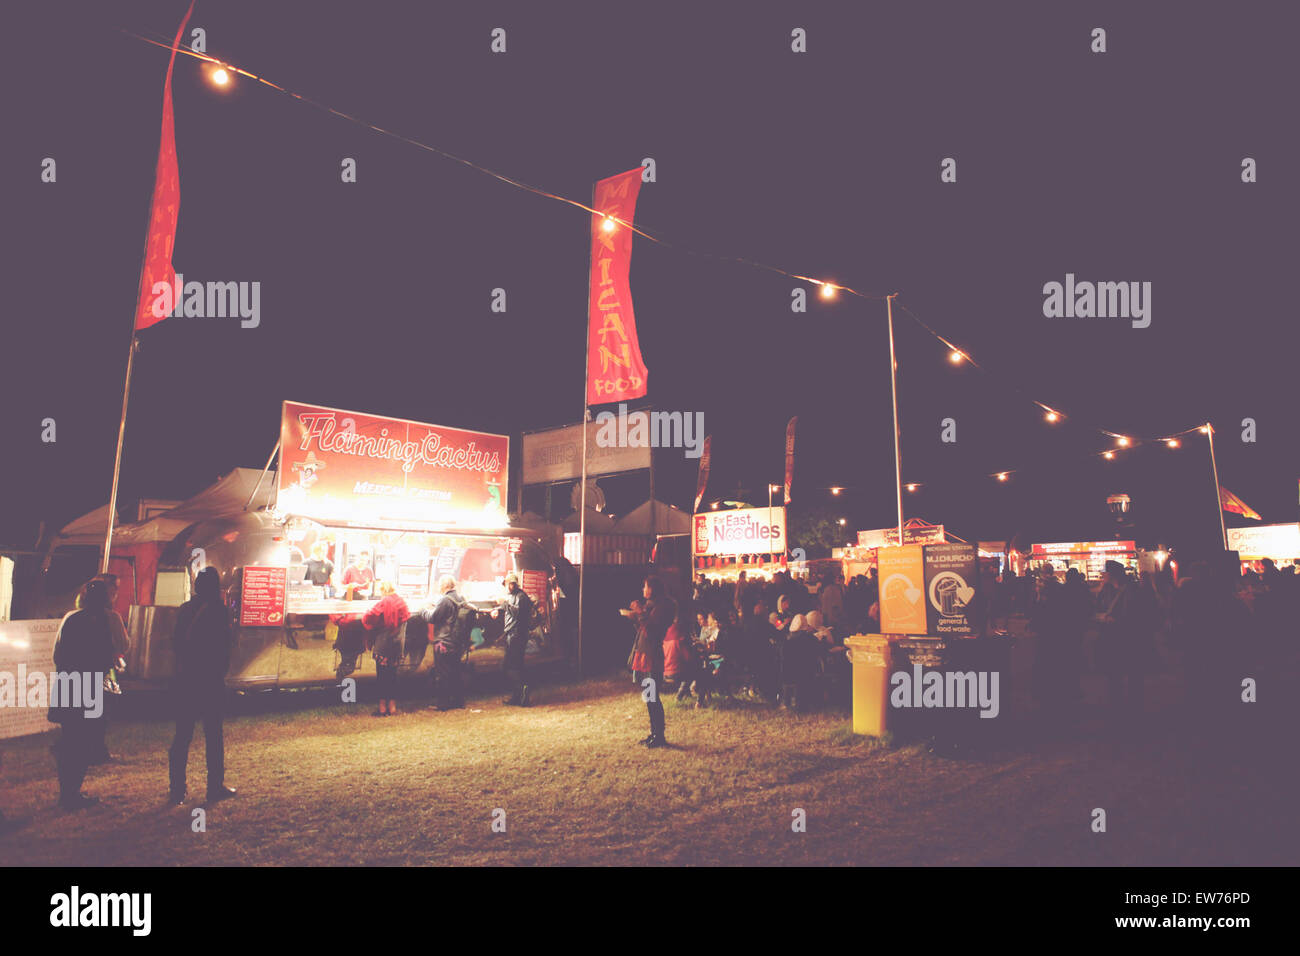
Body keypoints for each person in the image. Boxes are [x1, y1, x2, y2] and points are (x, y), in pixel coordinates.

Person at [168, 567, 236, 806]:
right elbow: (225, 645)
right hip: (210, 679)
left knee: (182, 736)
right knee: (213, 736)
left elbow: (175, 642)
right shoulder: (219, 610)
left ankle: (177, 790)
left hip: (186, 678)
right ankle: (214, 787)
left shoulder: (186, 609)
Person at [50, 578, 116, 810]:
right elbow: (106, 656)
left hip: (69, 685)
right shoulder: (98, 622)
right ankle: (70, 794)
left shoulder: (72, 619)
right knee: (80, 743)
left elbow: (58, 655)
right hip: (85, 689)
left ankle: (68, 792)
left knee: (72, 740)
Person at [629, 574, 677, 747]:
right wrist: (636, 617)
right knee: (648, 696)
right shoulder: (651, 607)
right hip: (645, 653)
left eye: (646, 586)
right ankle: (654, 733)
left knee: (652, 696)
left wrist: (639, 612)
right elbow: (644, 627)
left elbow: (652, 629)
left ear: (653, 589)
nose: (643, 590)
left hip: (652, 655)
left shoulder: (663, 607)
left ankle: (659, 735)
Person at [425, 575, 472, 710]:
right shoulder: (461, 598)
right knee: (455, 671)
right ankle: (458, 701)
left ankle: (443, 703)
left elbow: (433, 617)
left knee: (442, 673)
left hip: (444, 642)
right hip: (457, 641)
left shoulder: (445, 600)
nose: (439, 588)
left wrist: (424, 610)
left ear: (445, 586)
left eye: (440, 586)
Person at [363, 580, 409, 717]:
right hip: (397, 645)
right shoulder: (402, 602)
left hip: (383, 644)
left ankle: (382, 708)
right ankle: (392, 707)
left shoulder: (383, 603)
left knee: (382, 676)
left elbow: (368, 617)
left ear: (383, 590)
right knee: (393, 676)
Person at [492, 572, 534, 706]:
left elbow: (517, 613)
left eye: (508, 584)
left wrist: (503, 604)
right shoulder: (515, 596)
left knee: (510, 665)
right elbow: (510, 608)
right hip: (513, 635)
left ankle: (523, 691)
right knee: (514, 665)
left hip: (517, 635)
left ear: (512, 584)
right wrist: (498, 609)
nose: (506, 586)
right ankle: (518, 695)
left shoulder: (521, 597)